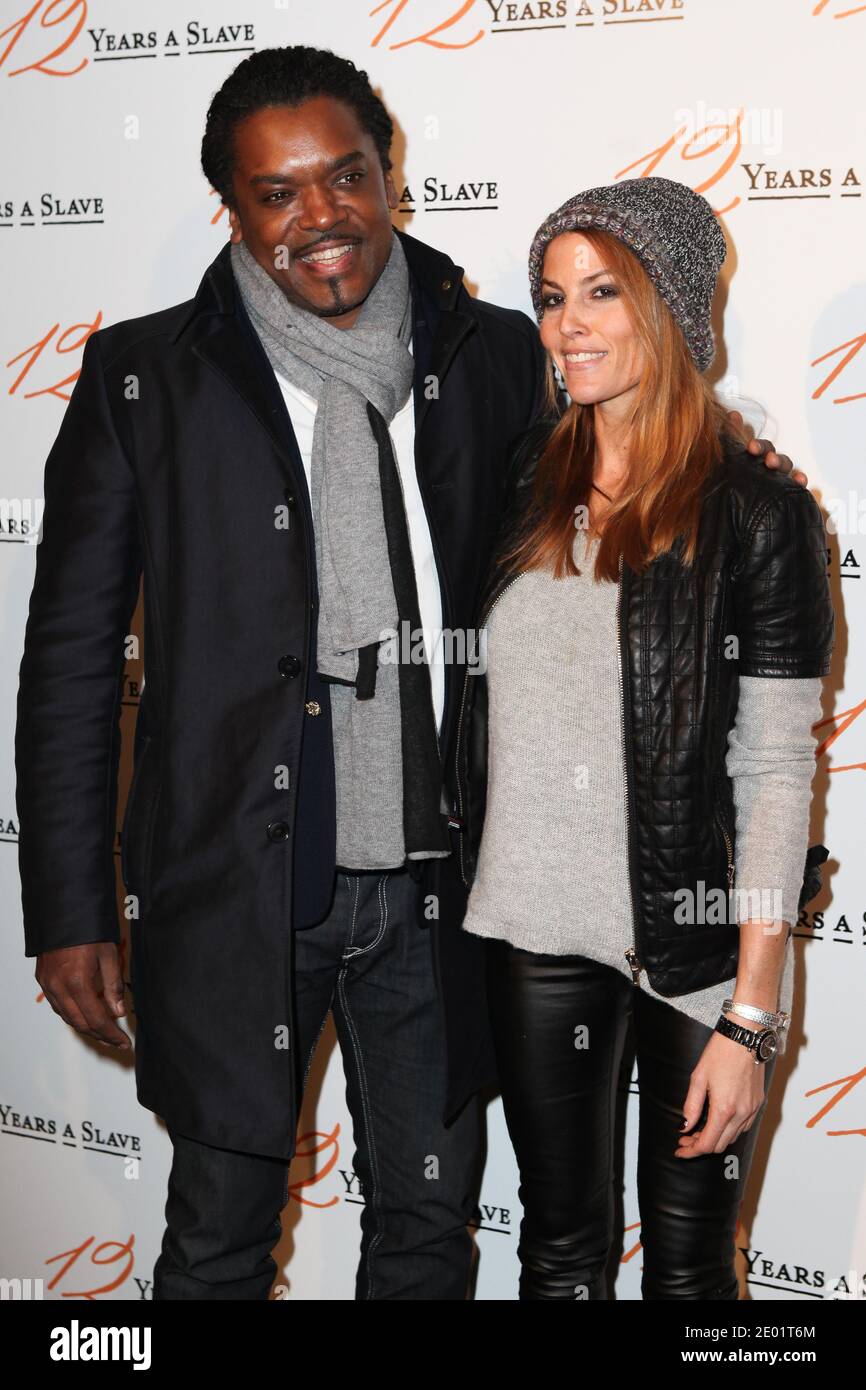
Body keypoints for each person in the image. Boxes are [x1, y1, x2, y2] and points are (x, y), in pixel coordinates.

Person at [14, 44, 801, 1301]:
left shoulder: (494, 355)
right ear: (233, 206)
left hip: (443, 894)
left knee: (429, 1233)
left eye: (347, 176)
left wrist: (737, 458)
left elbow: (629, 447)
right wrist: (67, 910)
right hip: (233, 888)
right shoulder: (139, 379)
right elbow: (65, 664)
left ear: (390, 176)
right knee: (215, 1239)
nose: (319, 215)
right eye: (278, 192)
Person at [447, 177, 834, 1300]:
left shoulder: (758, 512)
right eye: (552, 295)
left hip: (694, 954)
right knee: (558, 1258)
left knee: (686, 1272)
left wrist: (751, 1022)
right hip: (531, 932)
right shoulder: (525, 475)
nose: (566, 324)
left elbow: (772, 774)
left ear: (669, 307)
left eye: (600, 292)